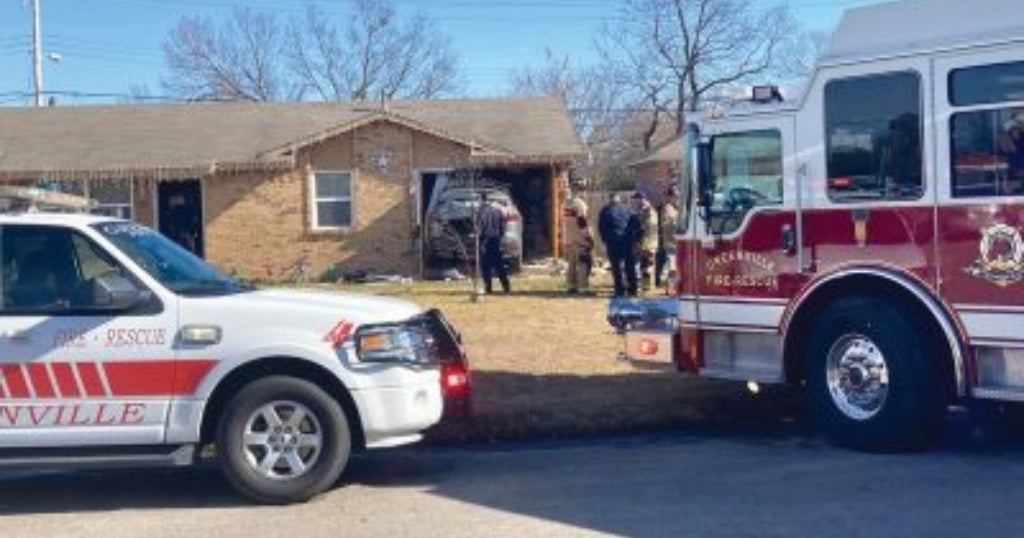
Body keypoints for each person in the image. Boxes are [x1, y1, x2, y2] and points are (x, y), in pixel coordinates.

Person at [598, 193, 640, 297]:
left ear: (610, 200)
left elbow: (601, 227)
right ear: (619, 200)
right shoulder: (628, 210)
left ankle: (619, 289)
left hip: (613, 242)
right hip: (627, 241)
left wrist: (604, 240)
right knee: (629, 265)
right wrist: (635, 240)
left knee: (616, 266)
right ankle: (633, 289)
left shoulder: (606, 210)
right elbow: (636, 224)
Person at [476, 194, 511, 294]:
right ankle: (506, 286)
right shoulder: (497, 211)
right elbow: (503, 227)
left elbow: (479, 227)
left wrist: (477, 236)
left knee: (486, 266)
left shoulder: (480, 212)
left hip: (485, 241)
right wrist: (500, 238)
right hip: (496, 241)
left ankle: (488, 288)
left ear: (481, 200)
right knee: (499, 265)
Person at [562, 187, 593, 294]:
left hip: (569, 238)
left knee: (571, 264)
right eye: (583, 190)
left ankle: (571, 286)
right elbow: (582, 221)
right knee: (582, 263)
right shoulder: (580, 204)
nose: (585, 193)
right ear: (580, 192)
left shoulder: (566, 204)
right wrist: (588, 237)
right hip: (580, 239)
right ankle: (583, 288)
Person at [632, 192, 658, 293]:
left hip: (647, 242)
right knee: (645, 265)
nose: (634, 202)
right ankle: (645, 286)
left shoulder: (647, 211)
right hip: (648, 242)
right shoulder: (647, 210)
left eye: (636, 199)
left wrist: (636, 234)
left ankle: (646, 287)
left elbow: (645, 228)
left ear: (641, 199)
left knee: (646, 265)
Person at [655, 186, 680, 288]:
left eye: (677, 196)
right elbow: (666, 225)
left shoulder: (674, 208)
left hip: (674, 241)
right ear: (670, 197)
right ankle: (667, 285)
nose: (677, 198)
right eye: (675, 196)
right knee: (671, 264)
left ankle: (670, 285)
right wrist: (677, 224)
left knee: (673, 265)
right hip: (670, 241)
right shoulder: (667, 209)